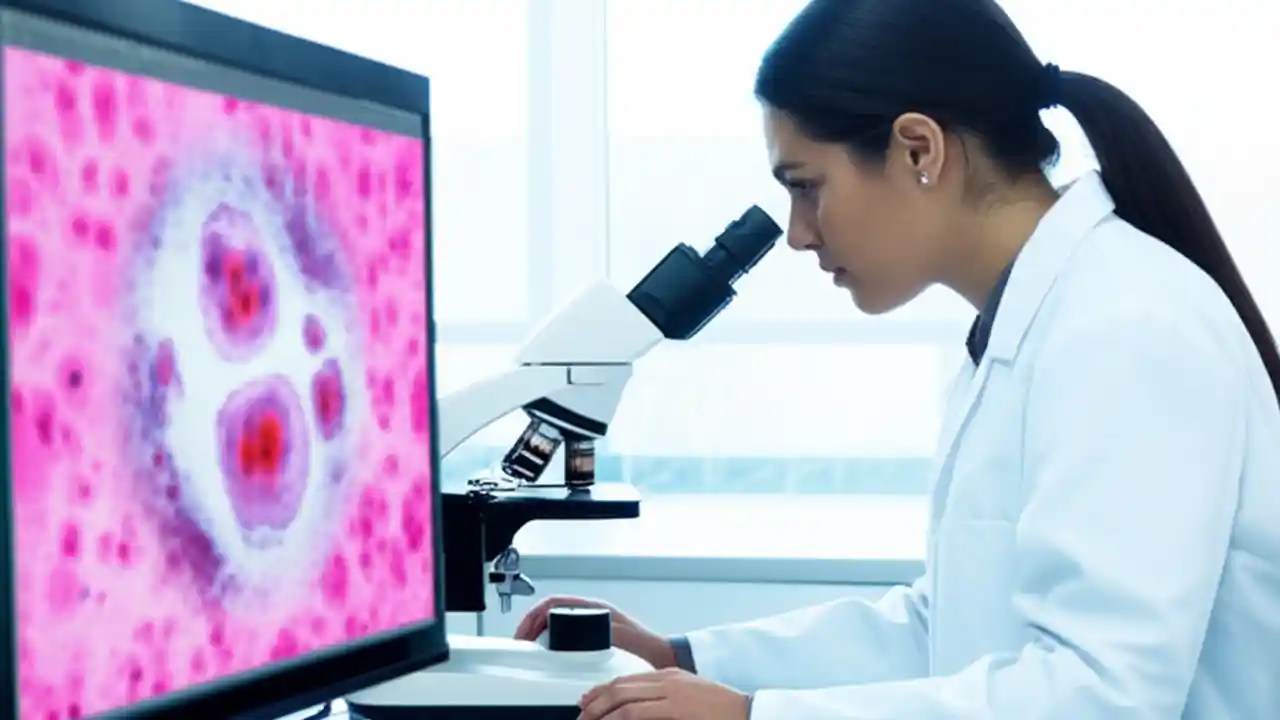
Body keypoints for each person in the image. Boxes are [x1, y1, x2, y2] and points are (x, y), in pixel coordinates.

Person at [516, 0, 1280, 718]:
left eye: (807, 187)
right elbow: (939, 630)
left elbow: (1100, 693)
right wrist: (682, 656)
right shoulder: (1037, 325)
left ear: (919, 149)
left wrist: (755, 715)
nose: (798, 233)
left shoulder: (1123, 326)